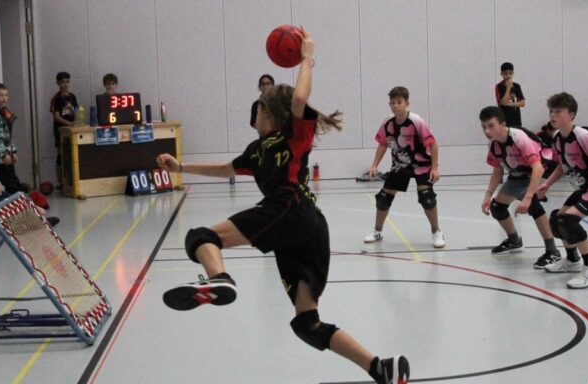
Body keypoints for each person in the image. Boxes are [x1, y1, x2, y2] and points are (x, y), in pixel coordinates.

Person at [156, 28, 409, 384]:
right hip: (308, 228)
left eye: (259, 106)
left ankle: (221, 280)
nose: (254, 110)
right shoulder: (256, 151)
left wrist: (307, 57)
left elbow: (300, 98)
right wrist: (181, 167)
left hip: (289, 207)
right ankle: (380, 367)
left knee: (200, 237)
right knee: (306, 323)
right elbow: (227, 169)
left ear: (272, 113)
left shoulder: (294, 135)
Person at [536, 93, 588, 289]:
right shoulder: (558, 139)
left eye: (558, 111)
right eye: (551, 111)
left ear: (571, 115)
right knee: (557, 219)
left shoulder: (583, 137)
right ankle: (572, 261)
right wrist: (547, 184)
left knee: (569, 220)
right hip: (585, 187)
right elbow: (562, 165)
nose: (553, 115)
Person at [479, 107, 560, 268]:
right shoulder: (493, 145)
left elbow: (538, 168)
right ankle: (514, 241)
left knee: (533, 206)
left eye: (491, 125)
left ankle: (553, 251)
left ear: (502, 124)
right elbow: (497, 171)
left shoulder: (518, 138)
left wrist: (528, 198)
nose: (487, 131)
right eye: (483, 127)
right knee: (497, 207)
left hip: (538, 170)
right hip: (518, 174)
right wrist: (488, 195)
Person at [364, 86, 444, 248]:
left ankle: (436, 231)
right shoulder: (388, 122)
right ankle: (377, 231)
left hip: (422, 164)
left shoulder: (416, 121)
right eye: (392, 103)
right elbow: (383, 144)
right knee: (383, 198)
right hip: (400, 164)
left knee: (427, 197)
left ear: (407, 103)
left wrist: (434, 168)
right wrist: (374, 165)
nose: (395, 106)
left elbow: (433, 144)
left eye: (399, 102)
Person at [0, 160, 59, 231]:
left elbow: (9, 198)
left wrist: (28, 205)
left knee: (39, 210)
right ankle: (39, 224)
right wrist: (0, 197)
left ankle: (39, 223)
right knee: (21, 217)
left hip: (4, 217)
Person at [0, 83, 28, 194]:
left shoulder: (2, 111)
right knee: (12, 185)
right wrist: (3, 154)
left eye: (6, 95)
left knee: (14, 183)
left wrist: (13, 151)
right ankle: (14, 209)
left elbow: (7, 135)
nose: (4, 98)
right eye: (1, 95)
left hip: (7, 154)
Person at [50, 72, 78, 186]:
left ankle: (71, 180)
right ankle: (60, 182)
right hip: (60, 130)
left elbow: (76, 111)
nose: (65, 84)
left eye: (67, 81)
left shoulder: (72, 97)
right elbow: (56, 116)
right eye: (62, 82)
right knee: (61, 154)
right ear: (58, 83)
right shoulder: (56, 98)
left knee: (71, 154)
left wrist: (76, 121)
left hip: (71, 130)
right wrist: (69, 123)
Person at [494, 62, 526, 128]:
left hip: (516, 119)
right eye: (506, 73)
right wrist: (508, 88)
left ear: (513, 73)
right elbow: (502, 102)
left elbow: (522, 103)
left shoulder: (517, 86)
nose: (508, 76)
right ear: (501, 74)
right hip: (504, 120)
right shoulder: (499, 86)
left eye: (510, 73)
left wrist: (509, 104)